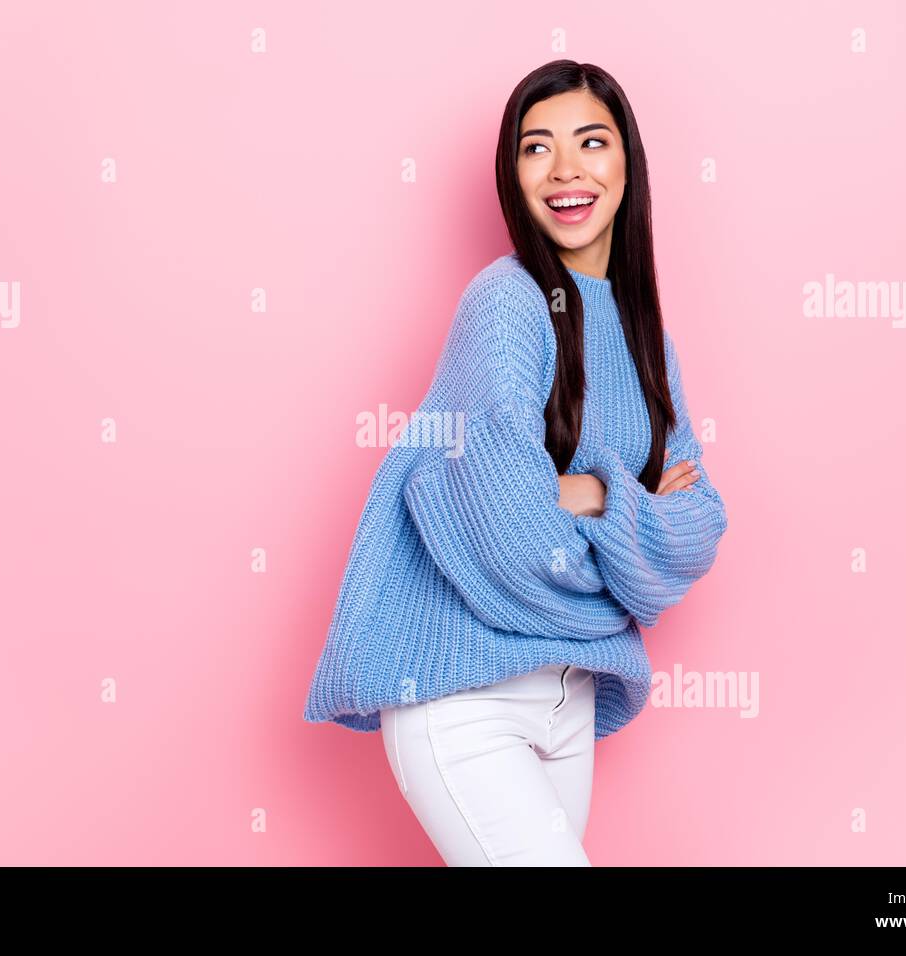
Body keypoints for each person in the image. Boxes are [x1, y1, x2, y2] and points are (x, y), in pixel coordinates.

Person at [303, 59, 729, 866]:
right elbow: (507, 528)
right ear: (513, 174)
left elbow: (700, 526)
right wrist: (629, 500)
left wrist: (586, 495)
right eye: (537, 149)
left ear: (627, 164)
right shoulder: (506, 301)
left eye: (590, 142)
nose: (566, 170)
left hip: (569, 697)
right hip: (461, 695)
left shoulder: (646, 336)